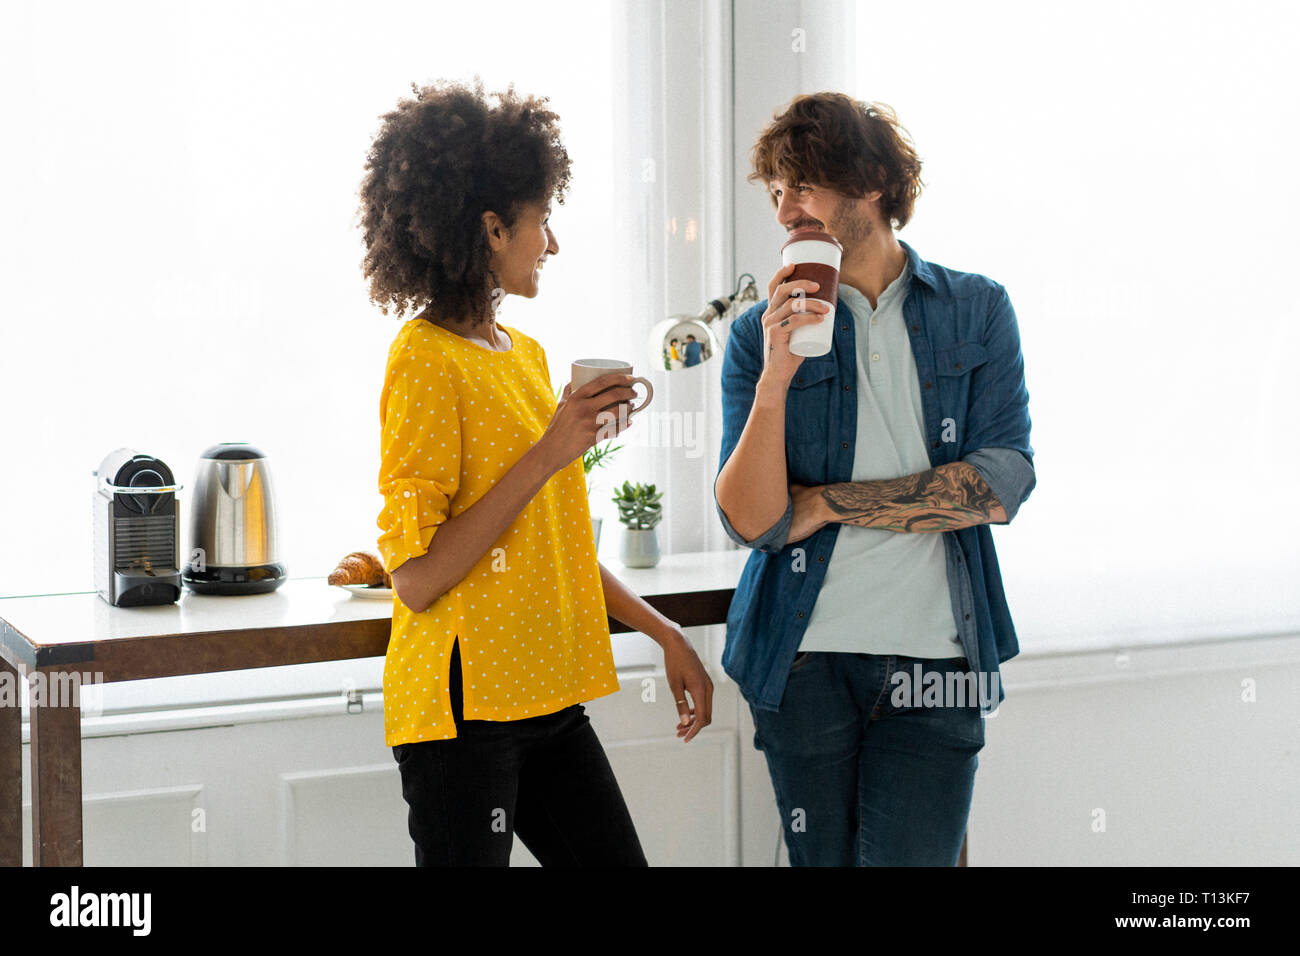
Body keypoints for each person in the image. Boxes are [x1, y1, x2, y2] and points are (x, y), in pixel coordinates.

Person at [359, 79, 713, 867]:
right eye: (540, 220)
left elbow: (551, 544)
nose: (550, 243)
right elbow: (416, 578)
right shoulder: (421, 361)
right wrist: (551, 450)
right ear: (491, 227)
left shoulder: (525, 358)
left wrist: (664, 630)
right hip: (463, 715)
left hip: (546, 697)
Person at [714, 93, 1035, 866]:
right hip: (804, 661)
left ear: (873, 187)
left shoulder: (977, 309)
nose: (785, 207)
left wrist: (826, 503)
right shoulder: (759, 336)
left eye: (803, 183)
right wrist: (775, 381)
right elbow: (754, 524)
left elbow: (999, 483)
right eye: (776, 191)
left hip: (941, 661)